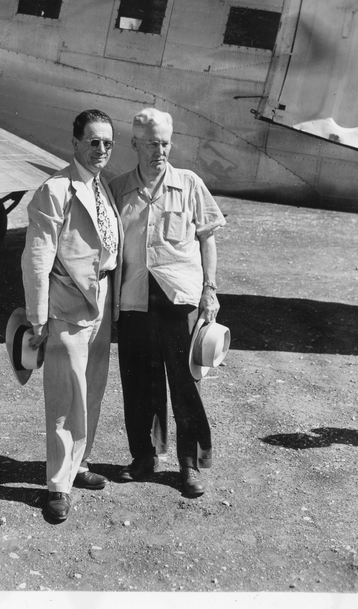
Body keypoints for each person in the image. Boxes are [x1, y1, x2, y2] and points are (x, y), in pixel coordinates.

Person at [109, 108, 226, 498]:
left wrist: (210, 289)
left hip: (179, 301)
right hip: (134, 301)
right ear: (135, 144)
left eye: (165, 143)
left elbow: (208, 238)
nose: (159, 151)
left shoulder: (190, 183)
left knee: (185, 387)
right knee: (138, 384)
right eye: (152, 144)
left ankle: (189, 466)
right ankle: (143, 457)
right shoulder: (118, 189)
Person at [21, 109, 122, 522]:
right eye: (94, 141)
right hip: (65, 306)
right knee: (65, 398)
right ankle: (58, 486)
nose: (101, 150)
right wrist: (38, 316)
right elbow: (37, 258)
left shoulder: (103, 188)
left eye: (108, 143)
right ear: (76, 142)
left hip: (101, 302)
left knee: (92, 390)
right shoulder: (55, 189)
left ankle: (79, 465)